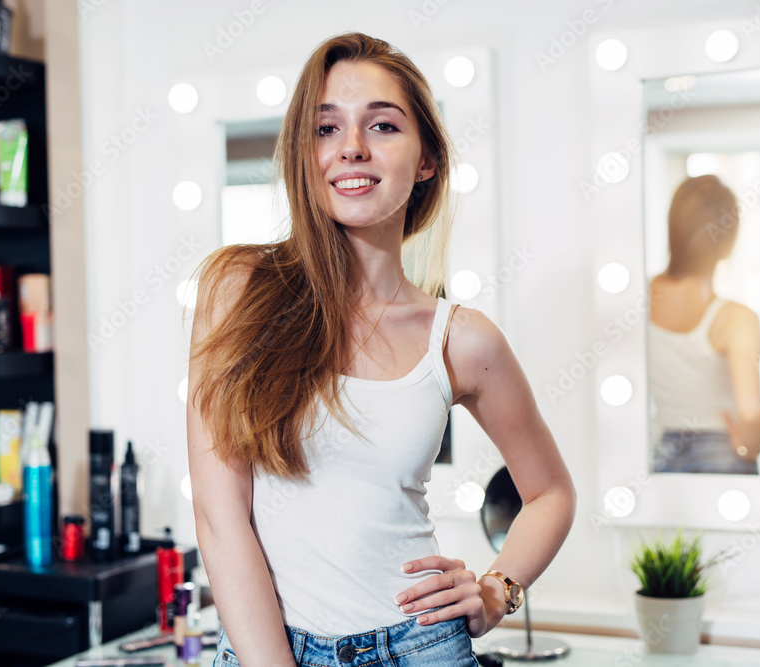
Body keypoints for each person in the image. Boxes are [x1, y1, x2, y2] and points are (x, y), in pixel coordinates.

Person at [186, 32, 575, 666]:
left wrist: (496, 592)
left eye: (384, 126)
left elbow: (551, 492)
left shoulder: (461, 338)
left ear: (425, 160)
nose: (351, 149)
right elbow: (219, 519)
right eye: (325, 128)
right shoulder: (236, 292)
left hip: (419, 647)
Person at [648, 174, 760, 474]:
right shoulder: (737, 318)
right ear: (729, 240)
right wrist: (748, 447)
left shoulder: (632, 298)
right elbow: (751, 416)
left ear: (674, 229)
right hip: (722, 451)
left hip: (661, 452)